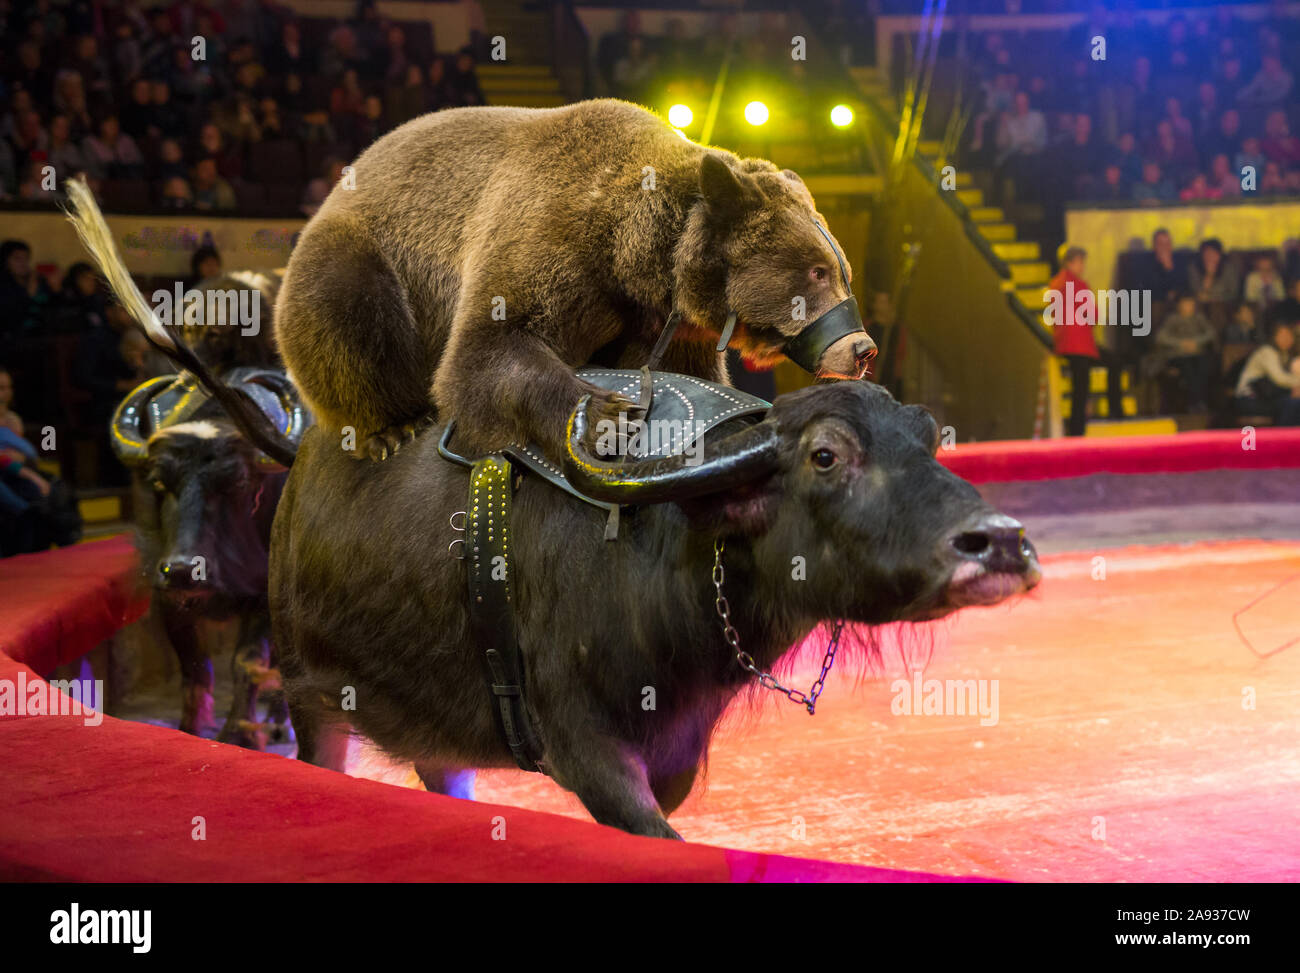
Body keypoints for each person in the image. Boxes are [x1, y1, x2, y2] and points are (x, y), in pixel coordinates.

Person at [1049, 246, 1120, 436]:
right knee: (1106, 369)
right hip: (1081, 344)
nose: (1082, 266)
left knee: (1079, 388)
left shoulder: (1055, 284)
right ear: (1071, 262)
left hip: (1066, 343)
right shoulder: (1078, 285)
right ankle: (1114, 410)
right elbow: (1092, 314)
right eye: (1080, 262)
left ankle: (1076, 429)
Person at [1156, 293, 1216, 413]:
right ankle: (1194, 403)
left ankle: (1199, 402)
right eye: (1185, 304)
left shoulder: (1199, 318)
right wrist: (1181, 343)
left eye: (1191, 304)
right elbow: (1161, 337)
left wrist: (1196, 342)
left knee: (1203, 367)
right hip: (1178, 356)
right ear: (1179, 306)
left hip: (1197, 354)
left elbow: (1211, 333)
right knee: (1188, 369)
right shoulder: (1172, 319)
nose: (1188, 307)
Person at [1234, 319, 1300, 424]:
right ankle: (1283, 438)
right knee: (1292, 404)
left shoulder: (1285, 355)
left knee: (1293, 404)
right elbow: (1280, 379)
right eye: (1283, 335)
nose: (1287, 339)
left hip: (1267, 398)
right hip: (1250, 399)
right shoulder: (1267, 352)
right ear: (1274, 336)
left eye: (1289, 335)